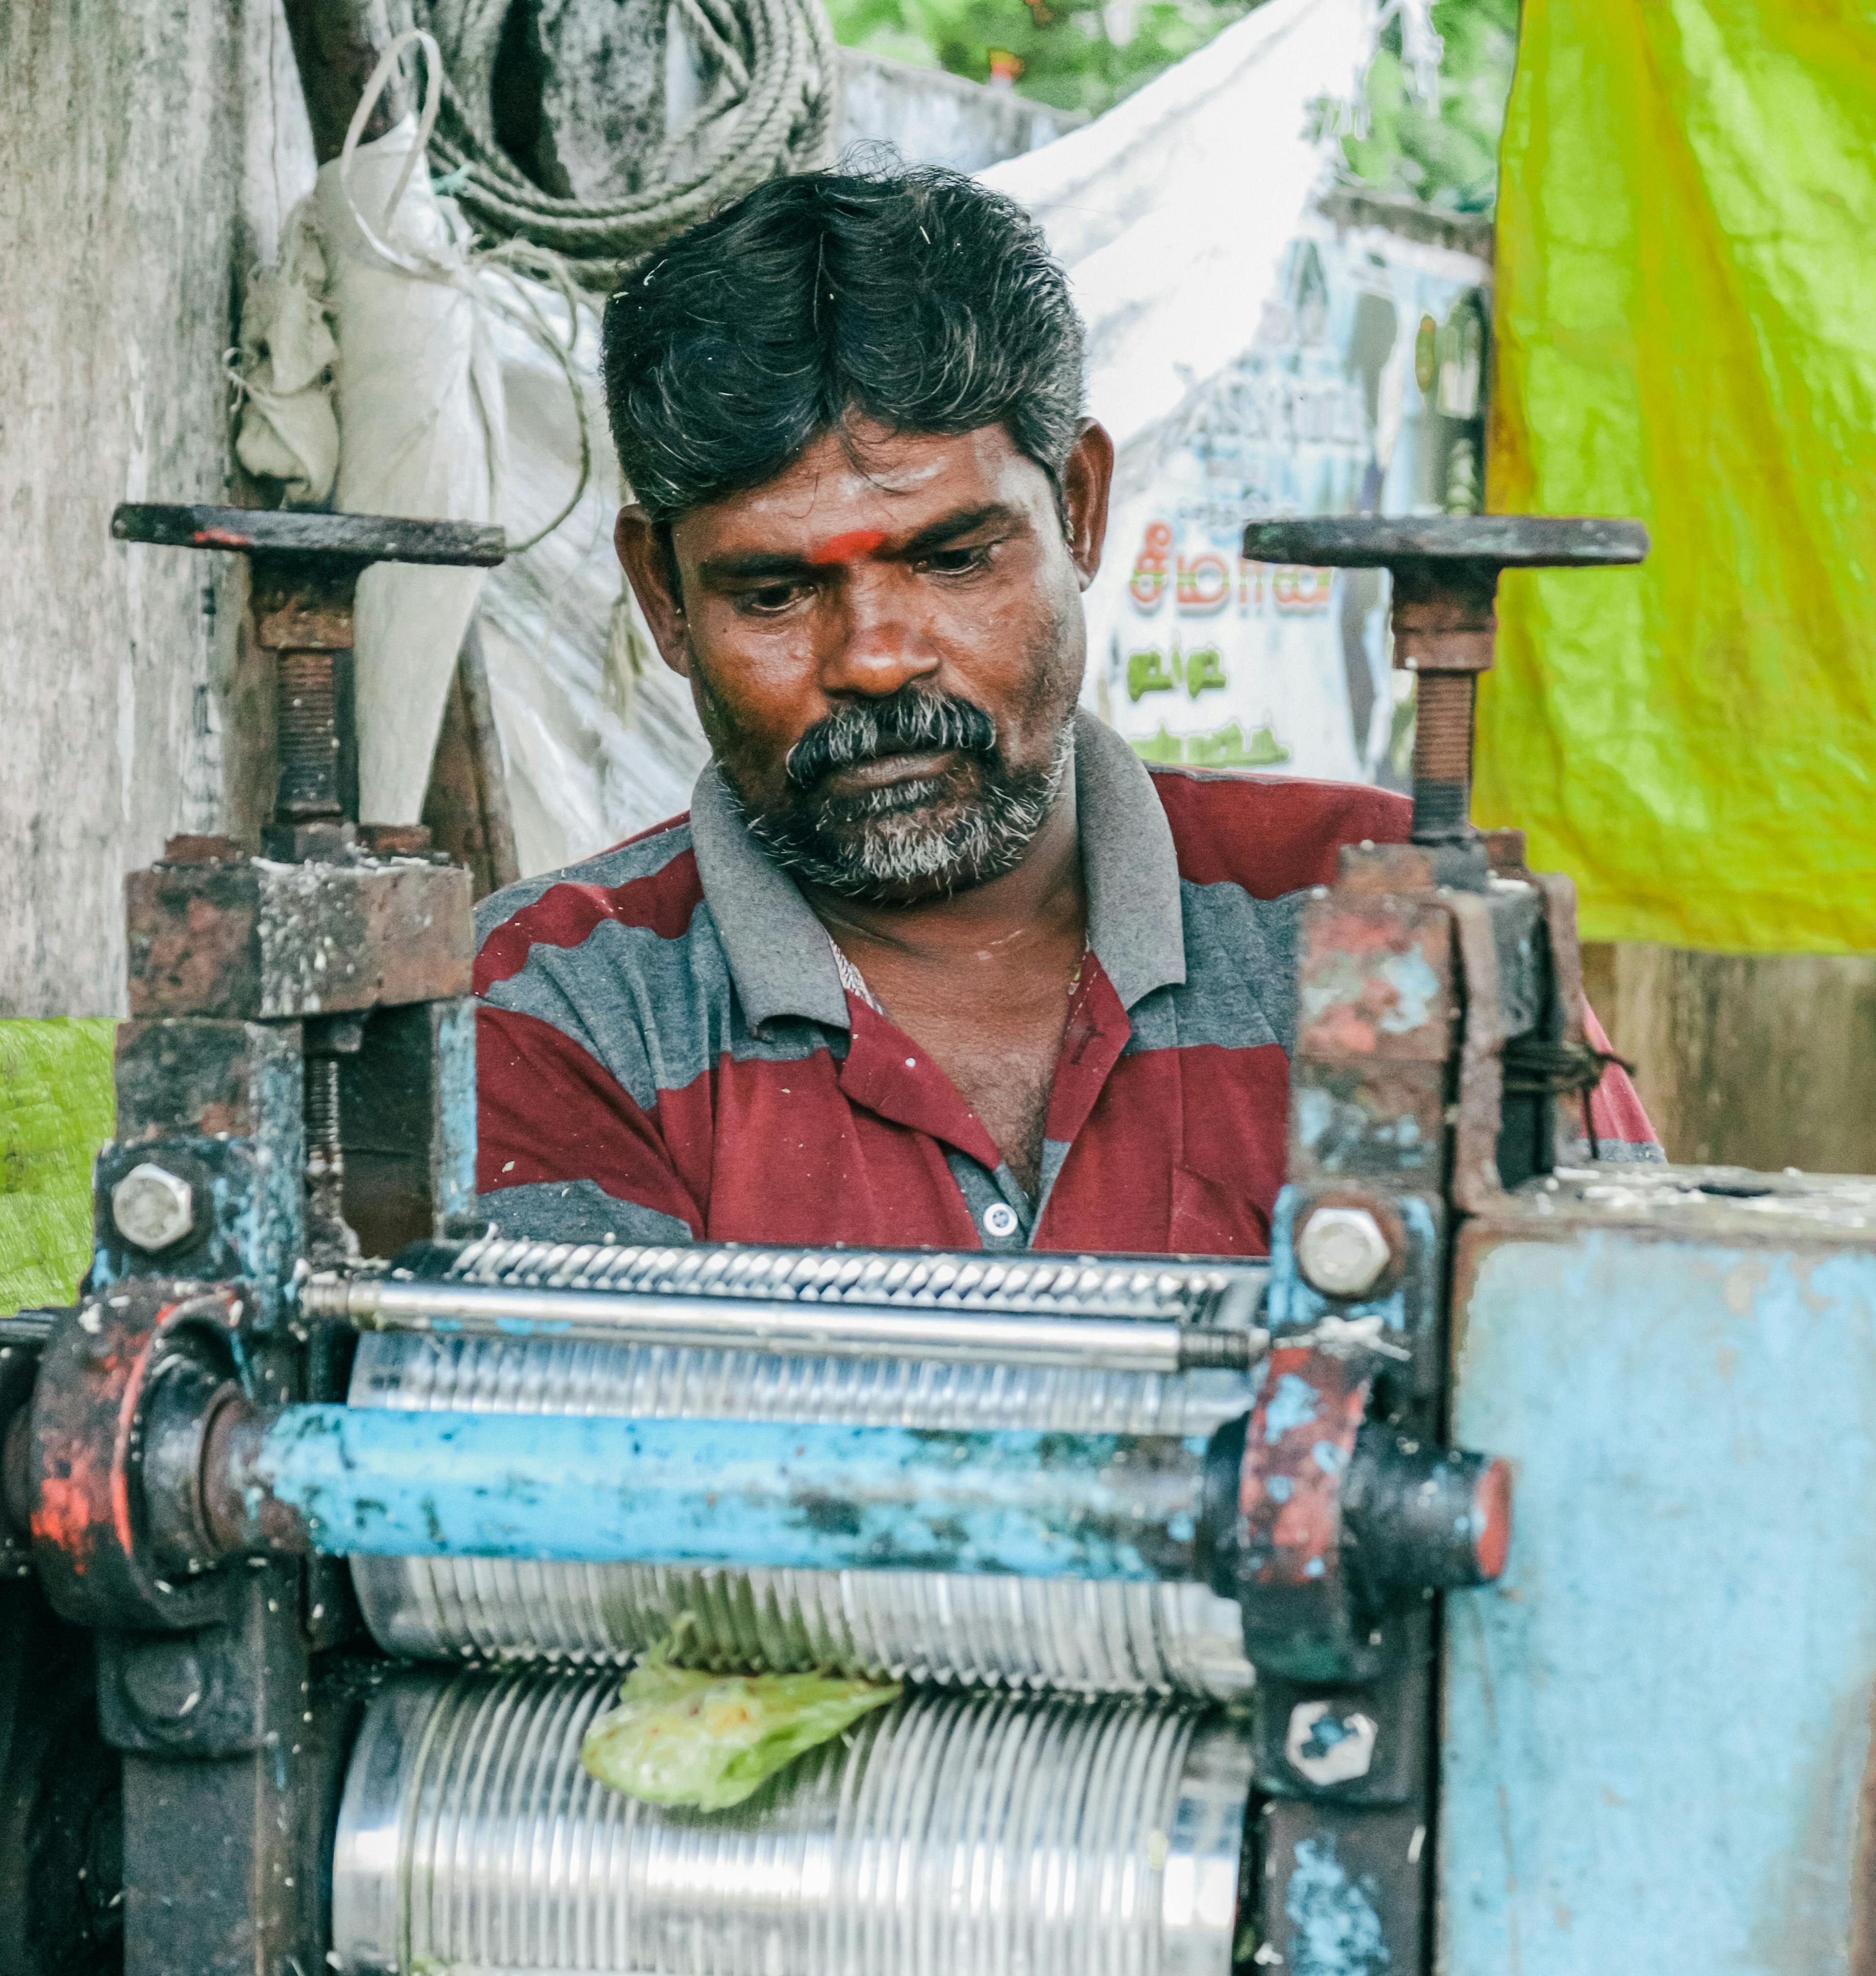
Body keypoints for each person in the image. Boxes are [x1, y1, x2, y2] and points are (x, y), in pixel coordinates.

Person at [473, 166, 1653, 1256]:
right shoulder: (558, 1003)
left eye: (952, 560)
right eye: (775, 591)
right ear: (663, 598)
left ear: (1078, 512)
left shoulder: (1373, 917)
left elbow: (1604, 1375)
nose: (876, 662)